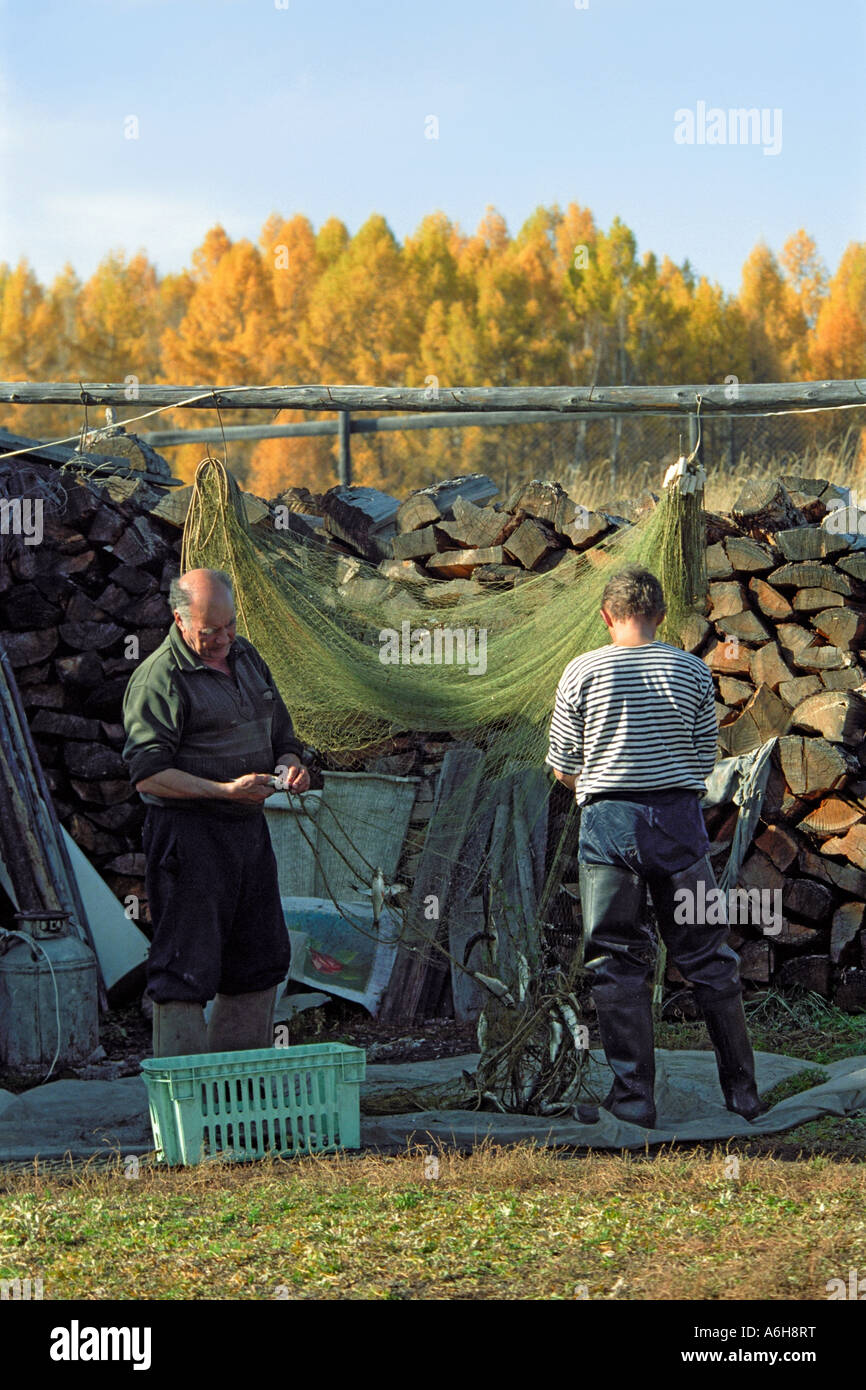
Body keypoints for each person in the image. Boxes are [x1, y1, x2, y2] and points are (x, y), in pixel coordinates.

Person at [545, 564, 765, 1129]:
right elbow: (702, 761)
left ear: (605, 615)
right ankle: (743, 1095)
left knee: (615, 962)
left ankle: (634, 1101)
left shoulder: (581, 671)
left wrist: (602, 785)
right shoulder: (692, 671)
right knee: (711, 959)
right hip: (679, 828)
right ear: (662, 615)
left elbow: (563, 767)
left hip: (609, 828)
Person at [121, 568, 310, 1058]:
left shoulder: (246, 656)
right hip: (187, 837)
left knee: (260, 956)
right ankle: (185, 1104)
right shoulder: (159, 677)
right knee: (186, 964)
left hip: (247, 832)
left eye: (229, 626)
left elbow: (283, 739)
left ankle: (239, 1096)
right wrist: (224, 790)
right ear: (180, 620)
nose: (224, 639)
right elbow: (148, 774)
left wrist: (290, 766)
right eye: (210, 632)